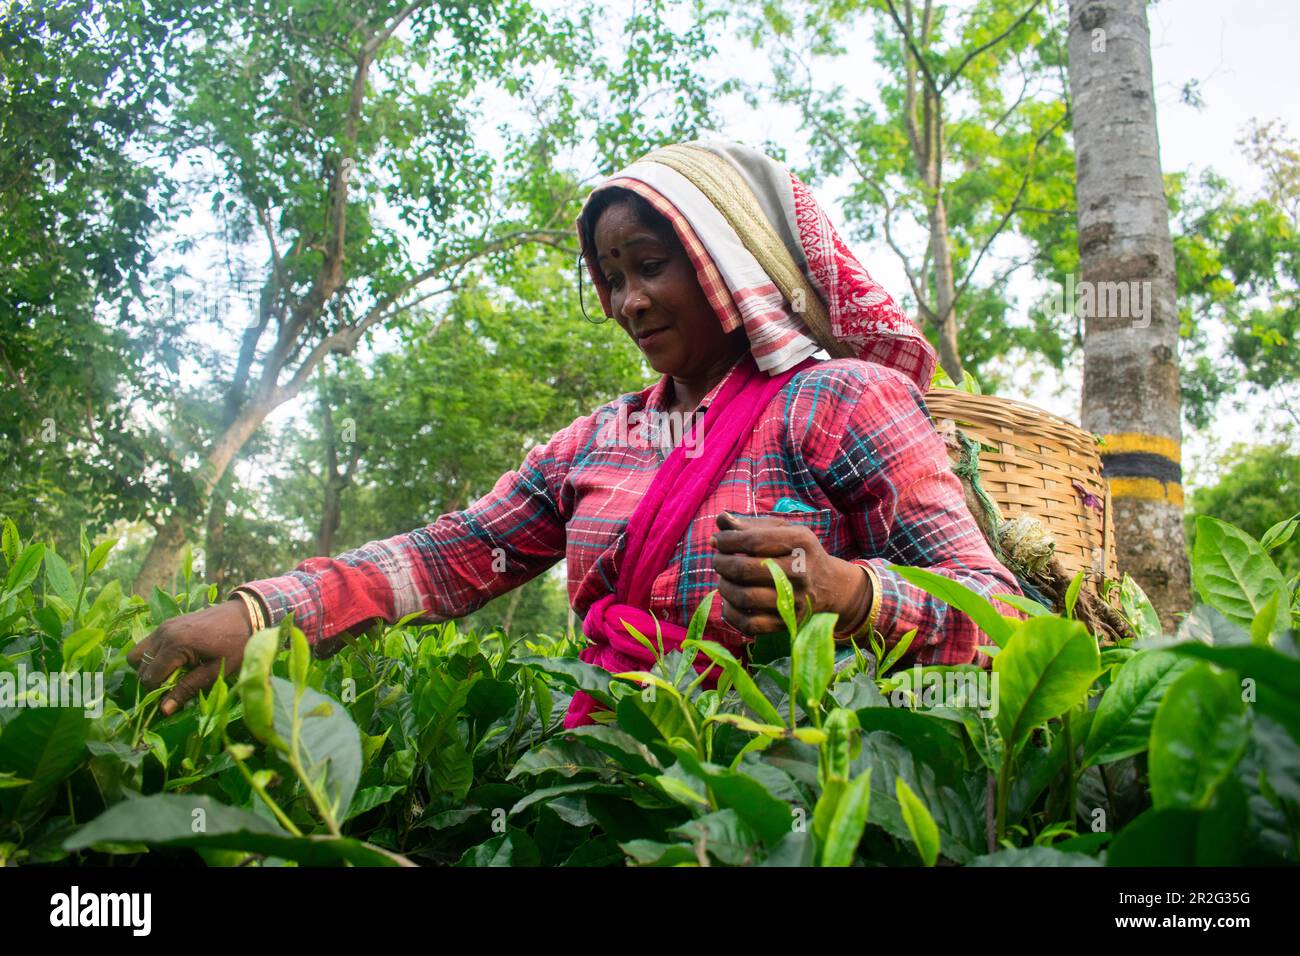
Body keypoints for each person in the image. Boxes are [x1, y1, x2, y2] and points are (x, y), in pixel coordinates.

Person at [128, 139, 1022, 727]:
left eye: (650, 265)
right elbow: (450, 556)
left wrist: (847, 592)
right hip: (598, 772)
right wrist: (260, 615)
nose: (627, 300)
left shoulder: (845, 402)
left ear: (729, 261)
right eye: (609, 275)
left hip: (792, 794)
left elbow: (1001, 618)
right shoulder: (600, 440)